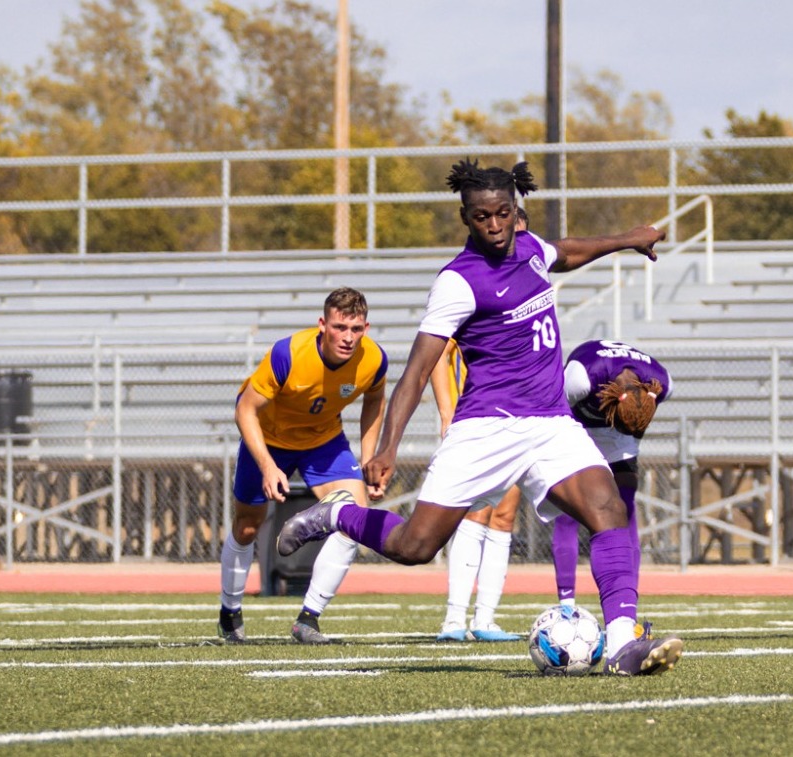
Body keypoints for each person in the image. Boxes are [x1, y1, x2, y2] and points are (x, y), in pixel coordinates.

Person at [278, 159, 683, 675]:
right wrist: (387, 446)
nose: (493, 225)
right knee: (415, 546)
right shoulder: (458, 281)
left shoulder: (531, 250)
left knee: (608, 508)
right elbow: (417, 371)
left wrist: (628, 239)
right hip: (486, 428)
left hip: (550, 423)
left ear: (516, 210)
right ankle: (339, 515)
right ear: (465, 217)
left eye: (502, 213)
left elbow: (568, 251)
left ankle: (623, 643)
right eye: (481, 216)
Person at [218, 287, 387, 645]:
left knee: (355, 519)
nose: (348, 337)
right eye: (340, 327)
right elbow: (244, 409)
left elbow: (374, 399)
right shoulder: (289, 353)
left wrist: (370, 457)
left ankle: (308, 618)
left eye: (356, 329)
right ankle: (229, 612)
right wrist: (267, 466)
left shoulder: (373, 359)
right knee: (247, 526)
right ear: (322, 325)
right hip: (269, 439)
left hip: (323, 441)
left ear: (366, 329)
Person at [552, 340, 671, 611]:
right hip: (577, 428)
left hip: (624, 435)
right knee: (568, 511)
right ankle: (566, 606)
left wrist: (632, 429)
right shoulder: (582, 378)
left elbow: (636, 418)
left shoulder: (661, 381)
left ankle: (628, 603)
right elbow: (554, 410)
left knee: (625, 508)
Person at [431, 336, 522, 642]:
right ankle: (454, 619)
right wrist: (447, 411)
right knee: (476, 514)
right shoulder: (471, 312)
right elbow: (437, 353)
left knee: (504, 517)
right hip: (475, 420)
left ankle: (485, 619)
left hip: (516, 421)